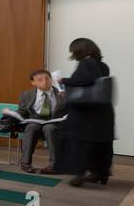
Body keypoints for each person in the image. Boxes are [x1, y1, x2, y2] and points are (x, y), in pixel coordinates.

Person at [55, 38, 114, 186]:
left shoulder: (86, 63)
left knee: (79, 142)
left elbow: (86, 80)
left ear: (79, 50)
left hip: (86, 112)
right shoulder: (103, 65)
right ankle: (100, 173)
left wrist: (63, 81)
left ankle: (80, 173)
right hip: (102, 111)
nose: (72, 54)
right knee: (99, 143)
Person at [17, 69, 65, 173]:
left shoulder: (61, 93)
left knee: (49, 128)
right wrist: (12, 114)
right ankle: (25, 163)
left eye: (47, 79)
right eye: (40, 80)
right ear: (33, 82)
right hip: (35, 120)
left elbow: (69, 110)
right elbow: (22, 111)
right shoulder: (26, 95)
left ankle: (55, 166)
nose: (45, 82)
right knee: (31, 127)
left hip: (54, 121)